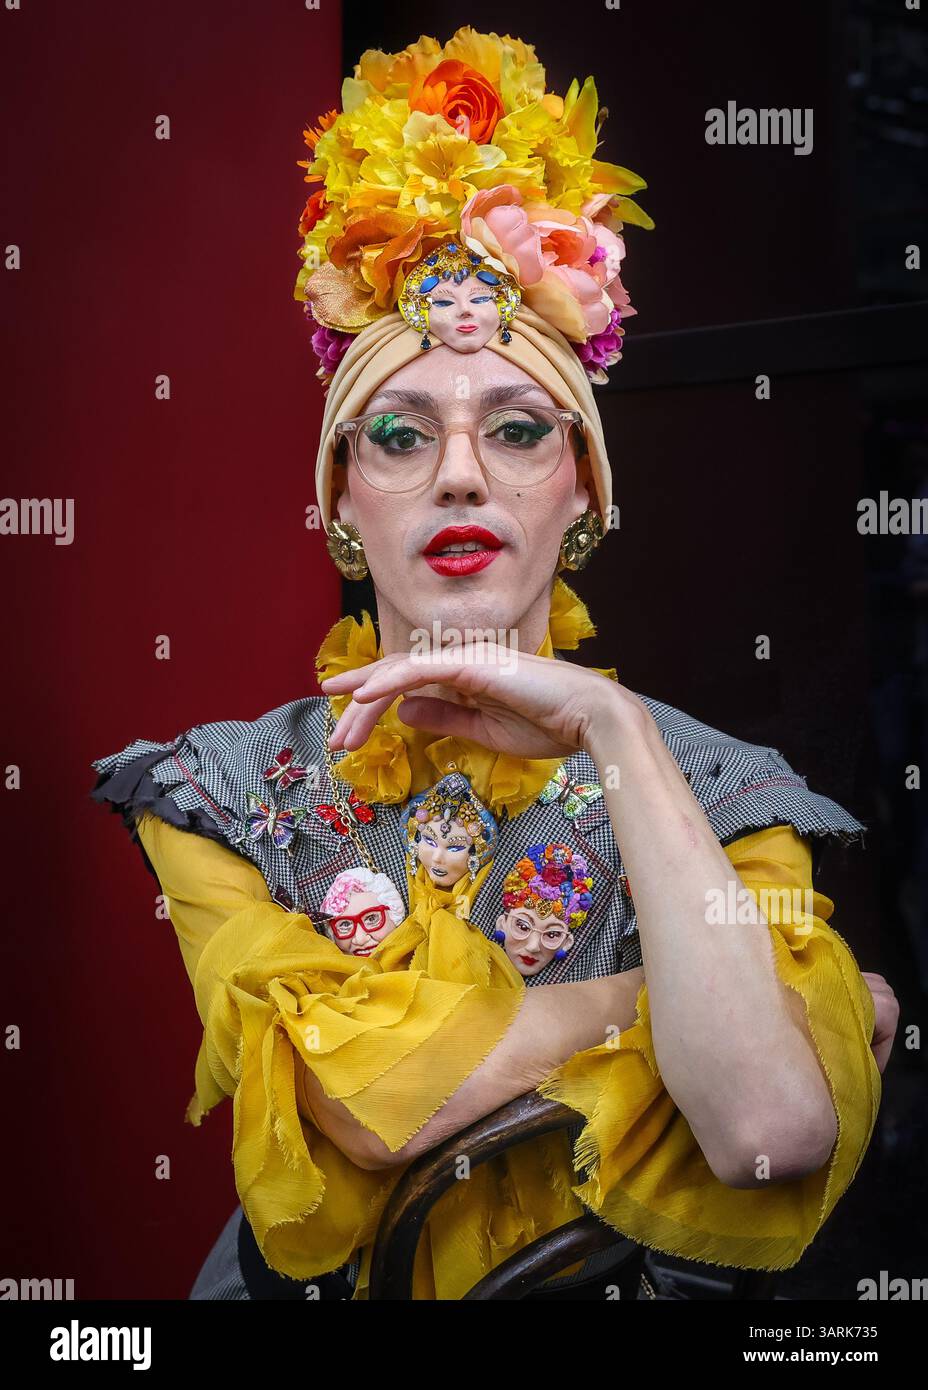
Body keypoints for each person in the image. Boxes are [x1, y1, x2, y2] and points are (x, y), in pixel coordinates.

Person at [90, 26, 898, 1301]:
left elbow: (763, 1133)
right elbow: (365, 1113)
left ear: (581, 491)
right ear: (342, 503)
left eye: (519, 429)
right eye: (400, 436)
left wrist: (617, 738)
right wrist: (658, 997)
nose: (459, 470)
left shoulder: (721, 788)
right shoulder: (223, 792)